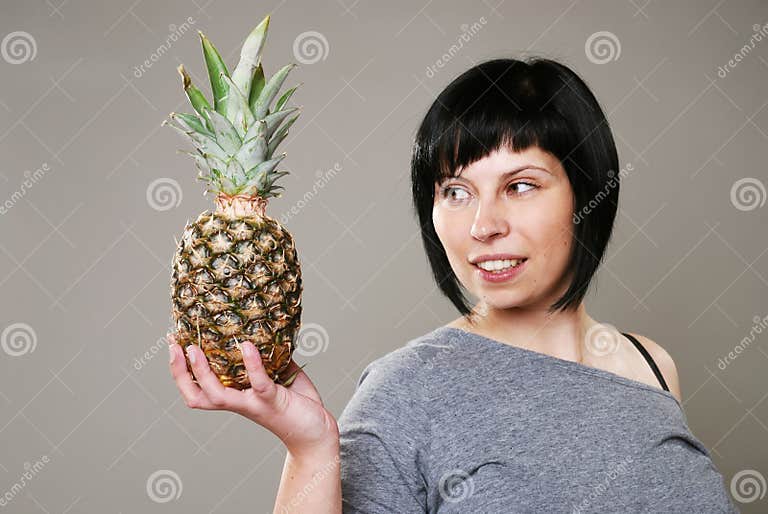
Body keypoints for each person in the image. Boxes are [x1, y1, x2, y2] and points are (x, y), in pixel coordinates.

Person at [168, 56, 740, 513]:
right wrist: (311, 449)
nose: (483, 225)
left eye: (520, 186)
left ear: (588, 193)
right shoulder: (406, 388)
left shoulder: (651, 364)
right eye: (455, 192)